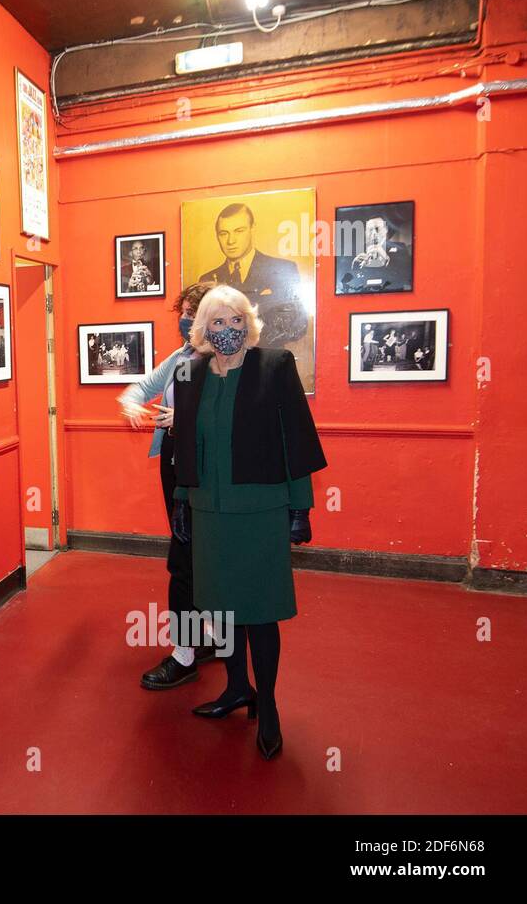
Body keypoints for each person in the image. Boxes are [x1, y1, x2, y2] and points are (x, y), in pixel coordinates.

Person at [169, 285, 326, 760]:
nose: (228, 330)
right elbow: (185, 444)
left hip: (259, 513)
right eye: (217, 322)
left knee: (259, 611)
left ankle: (270, 704)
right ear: (202, 330)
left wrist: (301, 508)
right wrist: (181, 500)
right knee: (221, 609)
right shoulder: (188, 371)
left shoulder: (274, 367)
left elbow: (294, 437)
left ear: (249, 323)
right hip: (209, 511)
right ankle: (237, 687)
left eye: (236, 320)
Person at [118, 281, 215, 689]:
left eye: (195, 310)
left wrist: (185, 420)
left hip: (208, 468)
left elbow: (230, 420)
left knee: (195, 558)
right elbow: (143, 386)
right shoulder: (180, 356)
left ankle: (187, 652)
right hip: (175, 464)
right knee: (188, 552)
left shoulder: (226, 359)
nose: (187, 317)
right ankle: (198, 640)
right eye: (185, 309)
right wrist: (131, 402)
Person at [199, 203, 307, 350]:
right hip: (224, 368)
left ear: (252, 229)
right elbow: (201, 332)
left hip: (268, 365)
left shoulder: (281, 270)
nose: (231, 241)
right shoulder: (208, 280)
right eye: (224, 233)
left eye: (239, 231)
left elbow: (298, 325)